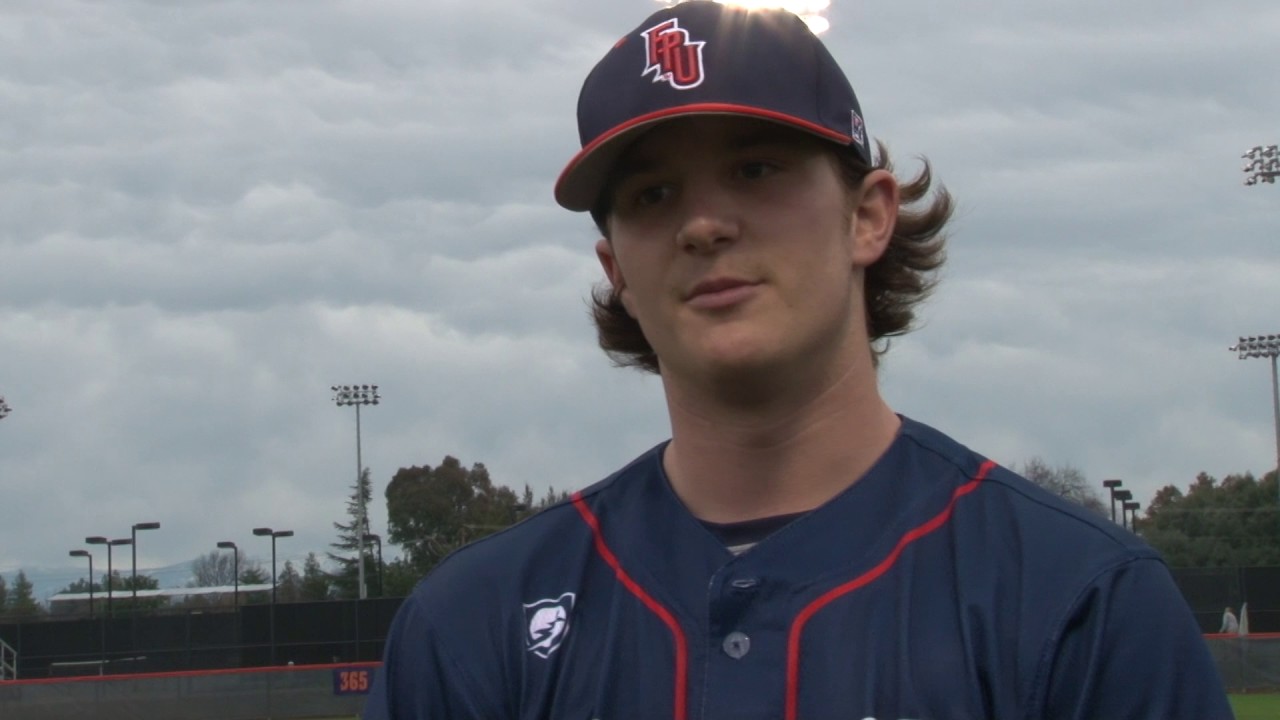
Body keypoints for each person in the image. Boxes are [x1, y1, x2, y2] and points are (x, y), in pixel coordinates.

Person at [365, 3, 1233, 718]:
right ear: (616, 268)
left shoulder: (1078, 598)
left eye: (755, 169)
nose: (703, 225)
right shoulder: (474, 624)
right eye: (653, 193)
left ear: (869, 216)